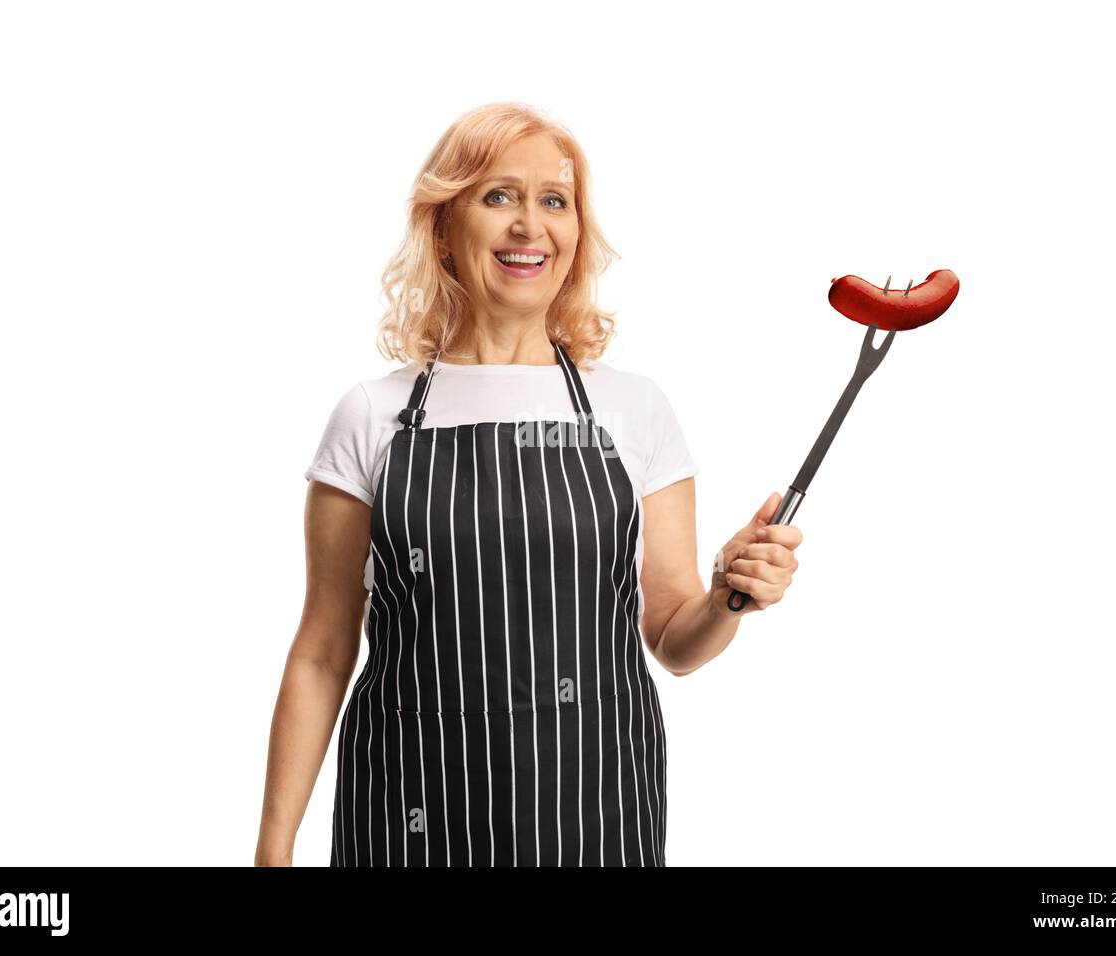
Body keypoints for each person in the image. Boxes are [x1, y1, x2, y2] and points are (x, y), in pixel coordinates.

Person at [255, 102, 802, 867]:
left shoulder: (633, 409)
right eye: (498, 196)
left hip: (594, 813)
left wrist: (724, 598)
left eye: (554, 201)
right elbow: (322, 650)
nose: (529, 225)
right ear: (445, 227)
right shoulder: (371, 417)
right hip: (410, 815)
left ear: (577, 235)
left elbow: (675, 642)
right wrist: (272, 851)